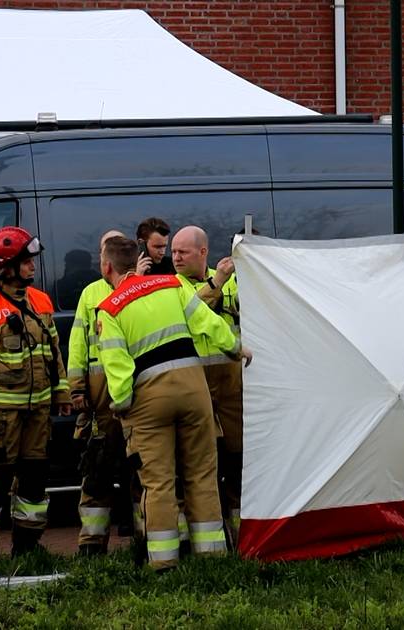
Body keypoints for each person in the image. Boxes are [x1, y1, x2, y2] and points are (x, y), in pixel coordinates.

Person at [95, 235, 251, 571]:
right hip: (195, 392)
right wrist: (236, 349)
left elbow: (117, 366)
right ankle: (212, 558)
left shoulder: (109, 309)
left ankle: (164, 564)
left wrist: (121, 404)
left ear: (107, 267)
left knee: (160, 482)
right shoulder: (169, 284)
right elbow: (207, 322)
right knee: (202, 476)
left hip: (149, 401)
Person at [0, 226, 72, 556]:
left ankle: (27, 546)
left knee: (34, 482)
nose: (33, 266)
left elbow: (53, 352)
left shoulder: (41, 302)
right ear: (8, 266)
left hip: (37, 414)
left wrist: (61, 393)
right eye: (27, 261)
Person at [170, 226, 245, 546]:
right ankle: (210, 539)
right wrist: (217, 284)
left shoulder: (228, 278)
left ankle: (243, 533)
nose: (175, 258)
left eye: (182, 252)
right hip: (197, 385)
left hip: (232, 387)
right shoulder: (173, 286)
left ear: (203, 252)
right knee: (204, 462)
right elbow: (189, 314)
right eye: (173, 251)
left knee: (239, 461)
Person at [69, 229, 127, 556]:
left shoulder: (137, 290)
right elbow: (78, 343)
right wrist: (77, 390)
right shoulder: (90, 294)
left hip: (128, 395)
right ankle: (91, 545)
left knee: (138, 472)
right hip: (97, 400)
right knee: (96, 472)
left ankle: (146, 543)